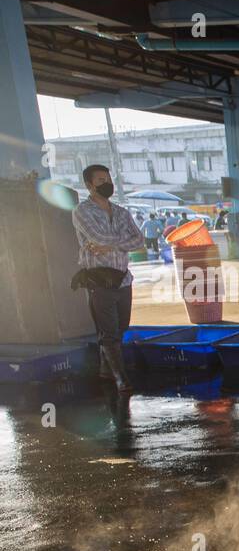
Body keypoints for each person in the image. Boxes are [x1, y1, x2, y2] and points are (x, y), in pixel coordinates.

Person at [72, 164, 144, 392]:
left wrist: (110, 244)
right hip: (99, 280)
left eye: (108, 179)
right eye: (101, 180)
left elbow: (139, 241)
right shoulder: (82, 212)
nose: (107, 184)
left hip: (123, 279)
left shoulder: (122, 212)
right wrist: (120, 241)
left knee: (122, 326)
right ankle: (121, 378)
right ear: (89, 185)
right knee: (110, 331)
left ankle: (105, 369)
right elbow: (97, 236)